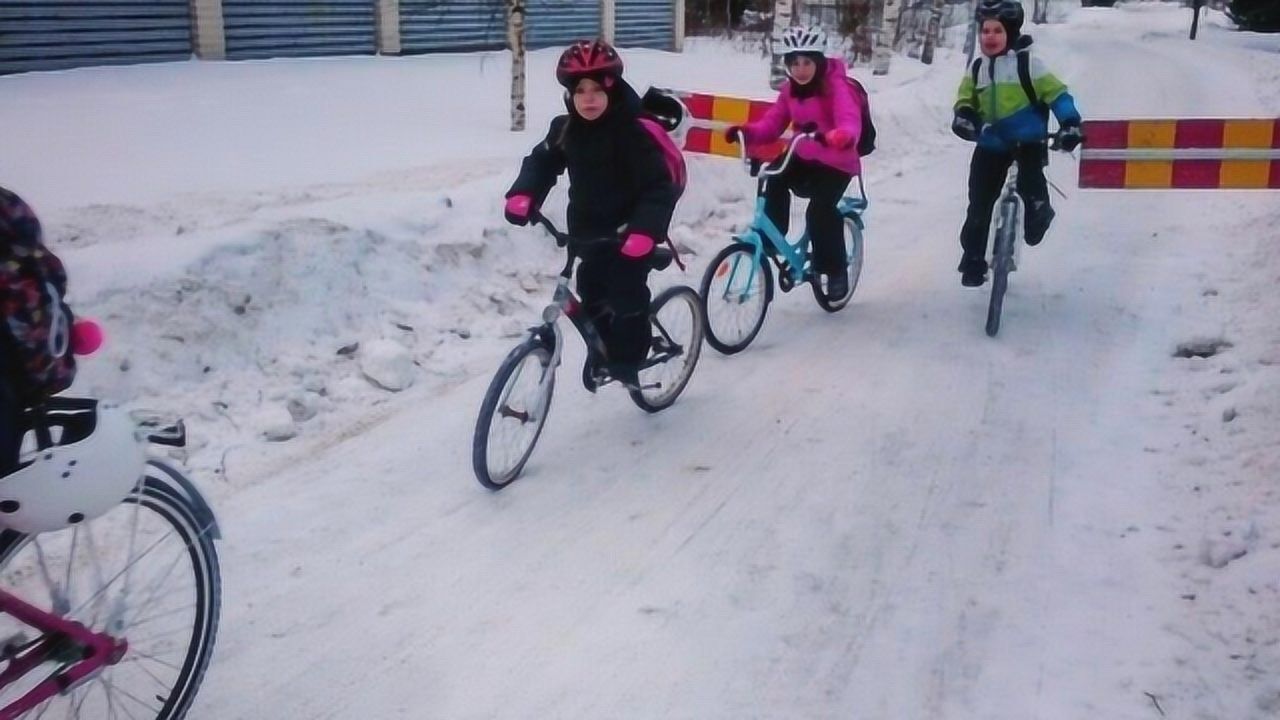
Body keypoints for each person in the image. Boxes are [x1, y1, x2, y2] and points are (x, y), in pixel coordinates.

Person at [503, 39, 680, 388]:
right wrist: (524, 193)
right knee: (590, 287)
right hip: (588, 230)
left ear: (612, 90)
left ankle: (629, 359)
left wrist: (644, 231)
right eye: (580, 90)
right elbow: (542, 162)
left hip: (631, 233)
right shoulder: (565, 128)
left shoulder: (632, 132)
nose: (588, 98)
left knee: (625, 291)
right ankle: (605, 349)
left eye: (597, 90)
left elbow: (660, 187)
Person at [724, 25, 863, 299]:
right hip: (803, 156)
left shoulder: (836, 87)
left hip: (837, 162)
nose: (800, 69)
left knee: (819, 212)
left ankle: (834, 270)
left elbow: (849, 118)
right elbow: (773, 123)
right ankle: (772, 237)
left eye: (807, 62)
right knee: (772, 177)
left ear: (819, 62)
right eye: (794, 63)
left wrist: (842, 135)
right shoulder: (790, 91)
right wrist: (748, 132)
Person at [951, 0, 1082, 287]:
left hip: (1028, 142)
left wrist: (1070, 123)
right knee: (979, 204)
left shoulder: (1029, 65)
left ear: (1010, 33)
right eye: (985, 31)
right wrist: (964, 116)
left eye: (997, 30)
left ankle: (1039, 212)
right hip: (991, 144)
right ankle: (973, 260)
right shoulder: (977, 69)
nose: (990, 37)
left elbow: (1058, 95)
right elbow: (964, 99)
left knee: (1030, 183)